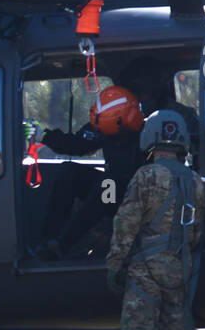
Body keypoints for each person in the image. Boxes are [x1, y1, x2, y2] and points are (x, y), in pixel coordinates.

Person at [106, 109, 205, 330]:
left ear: (150, 138)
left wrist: (114, 266)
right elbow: (196, 233)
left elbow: (125, 226)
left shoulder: (145, 176)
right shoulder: (196, 182)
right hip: (178, 272)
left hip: (144, 273)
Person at [37, 84, 144, 259]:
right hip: (109, 194)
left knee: (108, 183)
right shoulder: (102, 125)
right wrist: (44, 136)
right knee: (69, 171)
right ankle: (49, 239)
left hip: (136, 199)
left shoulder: (150, 131)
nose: (104, 134)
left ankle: (64, 245)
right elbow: (77, 144)